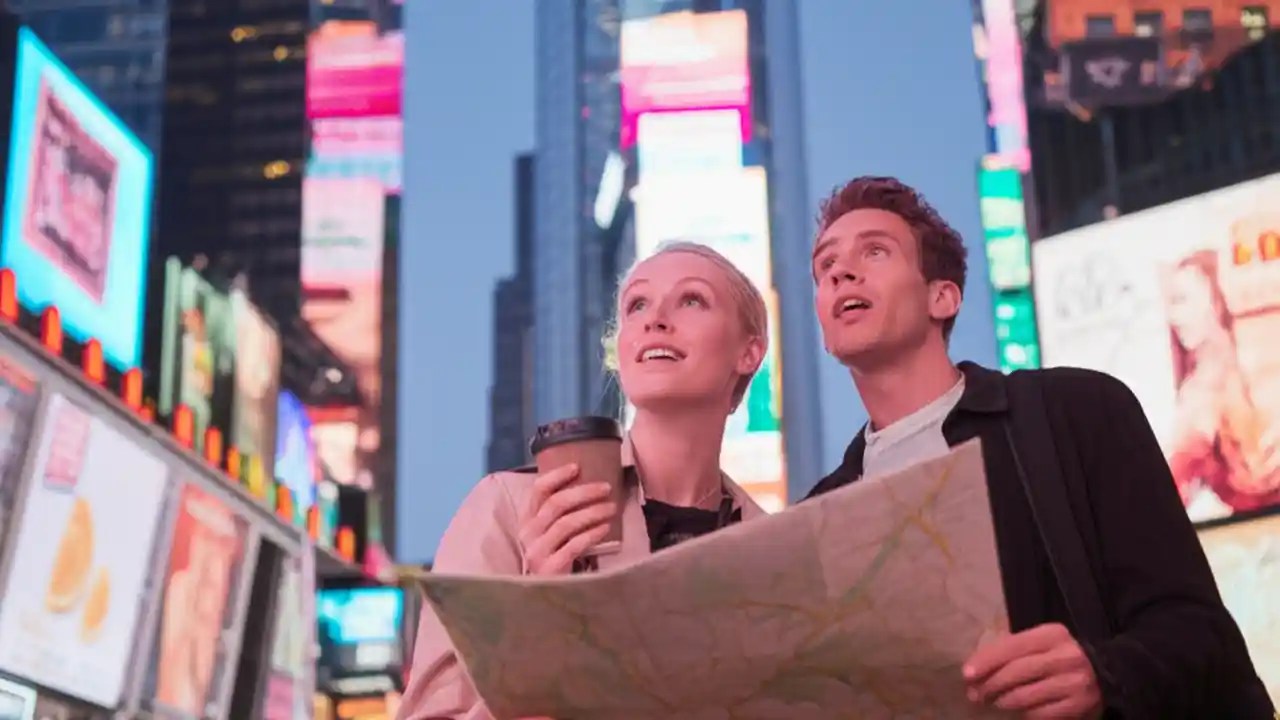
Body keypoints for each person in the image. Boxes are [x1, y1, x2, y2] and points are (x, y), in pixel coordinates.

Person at [804, 176, 1274, 719]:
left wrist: (1104, 674)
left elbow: (1201, 634)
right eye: (824, 266)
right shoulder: (820, 517)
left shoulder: (1075, 413)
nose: (840, 271)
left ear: (942, 295)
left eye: (875, 251)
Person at [397, 241, 771, 720]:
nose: (655, 319)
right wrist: (538, 622)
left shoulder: (773, 546)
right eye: (637, 304)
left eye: (692, 299)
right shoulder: (512, 506)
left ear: (749, 352)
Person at [1162, 250, 1280, 514]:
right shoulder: (1196, 398)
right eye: (1171, 303)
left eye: (1181, 300)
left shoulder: (1259, 359)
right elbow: (1168, 493)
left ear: (1216, 299)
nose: (1175, 316)